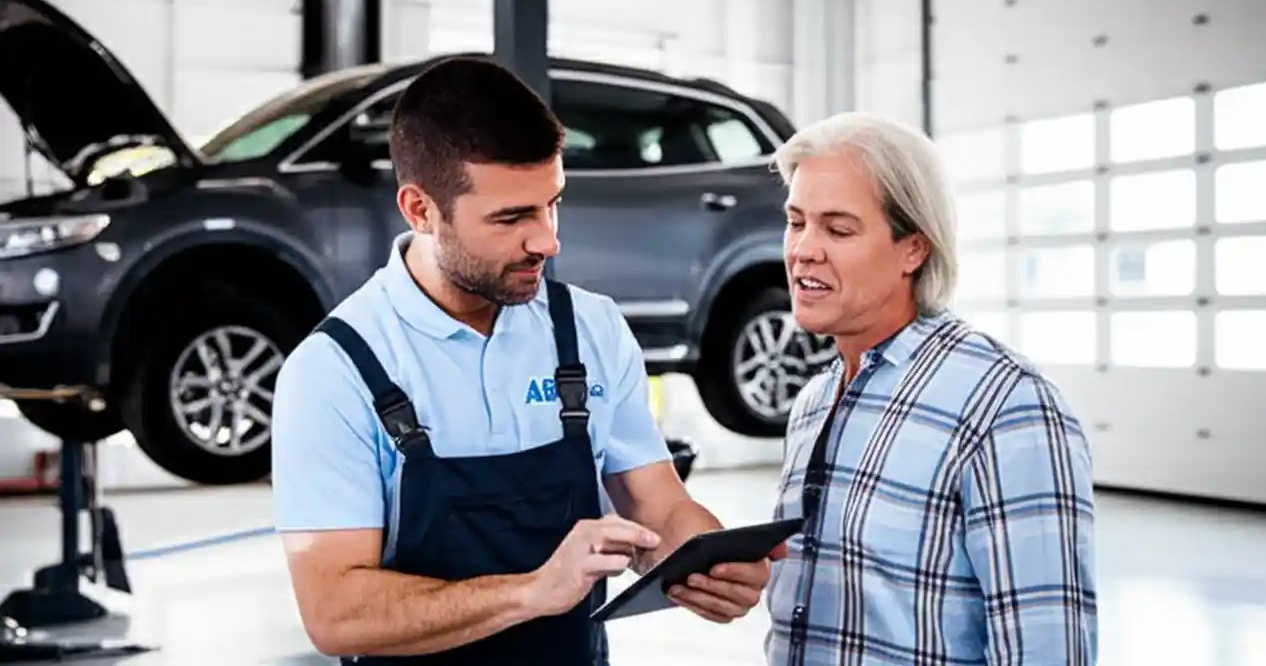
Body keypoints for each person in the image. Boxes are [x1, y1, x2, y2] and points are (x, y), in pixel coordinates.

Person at [269, 57, 779, 665]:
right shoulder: (336, 371)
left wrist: (704, 557)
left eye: (551, 204)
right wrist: (533, 592)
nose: (547, 240)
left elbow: (659, 505)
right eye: (511, 218)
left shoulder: (589, 330)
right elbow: (336, 612)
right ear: (420, 210)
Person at [764, 112, 1098, 665]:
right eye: (796, 222)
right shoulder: (813, 405)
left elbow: (1048, 648)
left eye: (838, 229)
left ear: (913, 249)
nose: (803, 250)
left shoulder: (1005, 405)